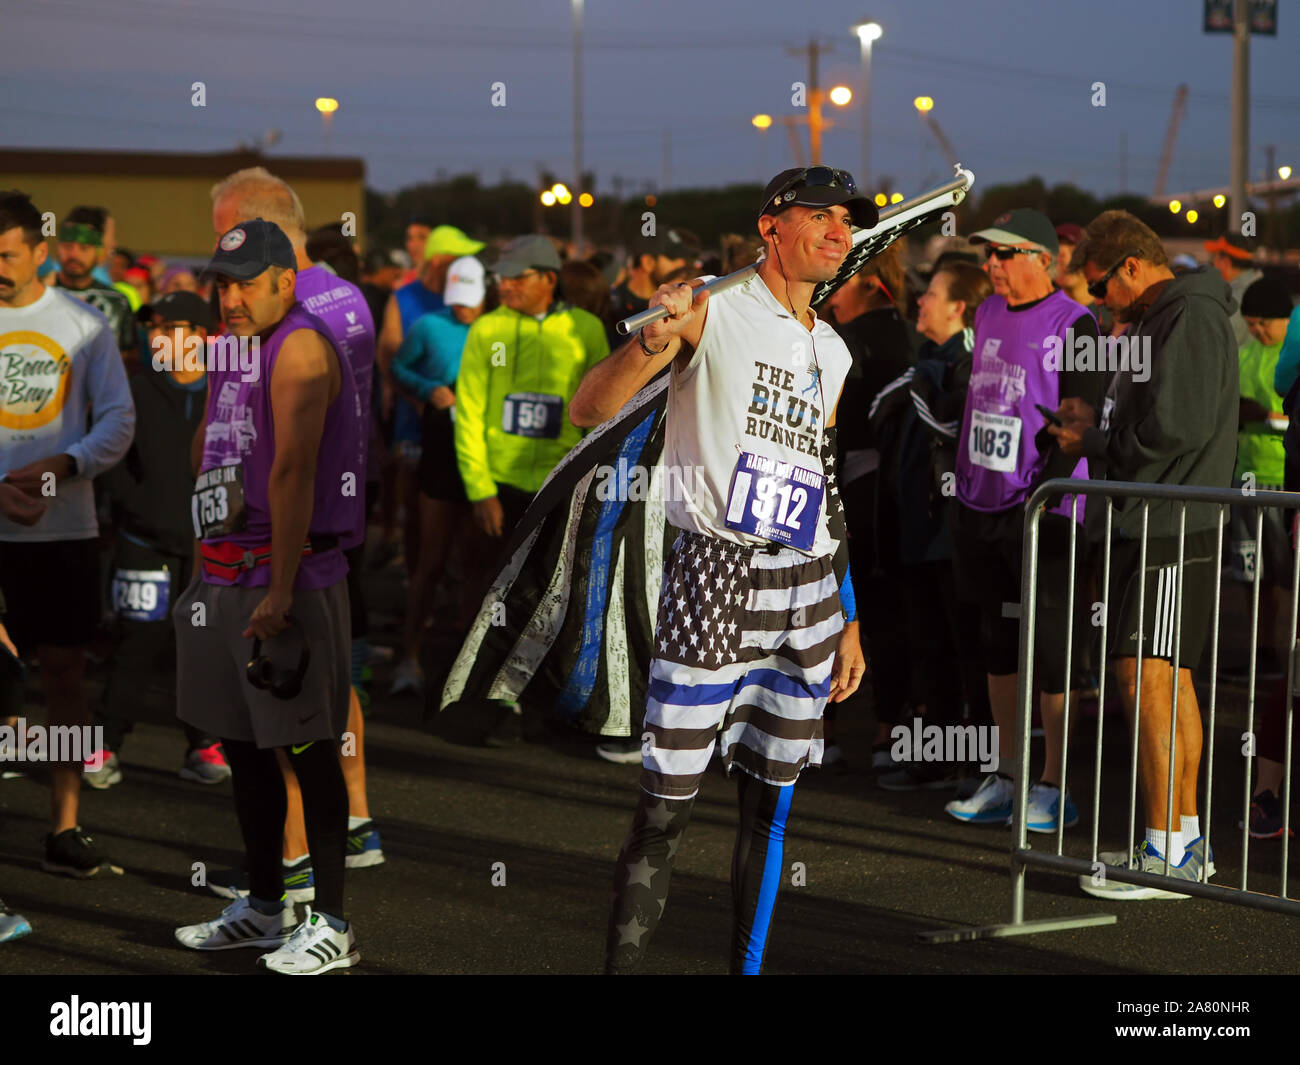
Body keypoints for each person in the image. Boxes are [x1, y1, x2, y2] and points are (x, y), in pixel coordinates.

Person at [569, 165, 871, 974]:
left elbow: (825, 483)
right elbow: (588, 408)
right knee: (666, 805)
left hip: (806, 587)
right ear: (772, 225)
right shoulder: (711, 306)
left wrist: (848, 612)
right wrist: (650, 339)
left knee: (770, 806)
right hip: (714, 574)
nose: (841, 229)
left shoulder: (832, 348)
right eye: (823, 215)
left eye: (849, 219)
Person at [172, 219, 360, 972]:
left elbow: (293, 475)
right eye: (223, 281)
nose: (231, 295)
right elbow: (207, 459)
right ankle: (263, 905)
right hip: (221, 569)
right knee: (244, 747)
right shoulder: (231, 346)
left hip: (288, 576)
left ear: (286, 276)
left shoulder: (303, 346)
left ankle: (336, 922)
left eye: (246, 280)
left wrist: (280, 590)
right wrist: (198, 572)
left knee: (309, 749)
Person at [205, 167, 384, 898]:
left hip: (297, 539)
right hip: (309, 528)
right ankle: (333, 837)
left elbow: (288, 461)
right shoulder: (337, 298)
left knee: (289, 713)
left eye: (232, 245)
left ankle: (298, 861)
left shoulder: (301, 319)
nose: (229, 285)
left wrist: (276, 576)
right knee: (307, 703)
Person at [1051, 209, 1238, 897]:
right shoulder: (1169, 316)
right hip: (1157, 519)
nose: (1099, 303)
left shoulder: (1189, 317)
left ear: (1132, 265)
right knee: (1169, 679)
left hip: (1169, 524)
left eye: (1100, 287)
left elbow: (1175, 426)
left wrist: (1095, 446)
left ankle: (1167, 851)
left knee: (1146, 678)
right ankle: (1182, 839)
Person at [943, 209, 1108, 834]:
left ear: (1043, 257)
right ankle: (1007, 773)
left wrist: (1039, 495)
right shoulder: (985, 313)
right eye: (988, 253)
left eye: (1006, 254)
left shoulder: (1077, 323)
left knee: (1054, 647)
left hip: (1046, 509)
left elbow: (1078, 427)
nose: (992, 264)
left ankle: (1054, 784)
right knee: (994, 641)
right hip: (980, 504)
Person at [0, 190, 135, 877]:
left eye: (5, 255)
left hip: (64, 533)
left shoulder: (83, 326)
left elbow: (117, 420)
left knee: (65, 677)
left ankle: (65, 826)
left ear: (39, 253)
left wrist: (62, 466)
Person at [87, 292, 230, 788]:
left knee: (203, 646)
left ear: (203, 336)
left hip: (208, 548)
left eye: (171, 328)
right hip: (141, 540)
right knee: (135, 644)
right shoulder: (133, 389)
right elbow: (110, 459)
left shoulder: (229, 390)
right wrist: (136, 505)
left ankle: (205, 744)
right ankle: (104, 744)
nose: (159, 337)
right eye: (154, 328)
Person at [869, 261, 995, 789]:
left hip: (954, 533)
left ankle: (984, 768)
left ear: (958, 308)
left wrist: (920, 382)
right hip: (919, 531)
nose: (919, 302)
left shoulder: (972, 356)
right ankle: (941, 761)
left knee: (971, 656)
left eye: (932, 295)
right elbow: (877, 410)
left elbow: (951, 420)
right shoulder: (930, 359)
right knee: (930, 651)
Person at [455, 234, 609, 553]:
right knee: (485, 584)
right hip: (499, 484)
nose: (505, 285)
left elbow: (601, 413)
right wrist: (480, 490)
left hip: (562, 483)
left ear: (549, 278)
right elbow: (468, 412)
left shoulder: (586, 328)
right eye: (501, 277)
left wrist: (589, 484)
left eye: (517, 277)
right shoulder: (486, 329)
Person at [823, 241, 914, 768]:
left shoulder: (845, 339)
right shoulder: (910, 334)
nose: (831, 297)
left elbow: (834, 424)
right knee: (891, 611)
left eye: (841, 283)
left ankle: (823, 729)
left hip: (855, 490)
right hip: (896, 494)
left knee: (838, 605)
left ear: (867, 284)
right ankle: (888, 730)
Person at [390, 256, 488, 695]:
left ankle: (465, 668)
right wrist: (428, 389)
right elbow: (397, 368)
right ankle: (408, 657)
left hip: (485, 453)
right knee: (430, 561)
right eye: (458, 302)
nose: (464, 310)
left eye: (470, 302)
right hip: (440, 448)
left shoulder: (498, 328)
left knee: (475, 565)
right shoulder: (430, 325)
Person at [376, 225, 485, 571]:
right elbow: (389, 356)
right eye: (461, 255)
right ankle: (414, 581)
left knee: (462, 522)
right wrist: (418, 395)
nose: (469, 262)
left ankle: (452, 591)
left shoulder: (473, 301)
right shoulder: (405, 298)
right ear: (440, 261)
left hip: (463, 428)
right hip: (415, 424)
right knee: (417, 512)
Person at [1224, 277, 1295, 681]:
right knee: (1252, 574)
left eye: (1263, 323)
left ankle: (1288, 656)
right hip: (1246, 480)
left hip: (1284, 482)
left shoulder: (1293, 354)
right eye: (1249, 323)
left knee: (1287, 575)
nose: (1256, 331)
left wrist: (1263, 416)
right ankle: (1262, 653)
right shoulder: (1246, 353)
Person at [53, 206, 139, 373]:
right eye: (67, 246)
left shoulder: (117, 302)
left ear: (98, 250)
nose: (74, 255)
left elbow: (128, 361)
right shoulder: (38, 295)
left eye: (84, 248)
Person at [606, 228, 700, 345]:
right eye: (673, 258)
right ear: (648, 263)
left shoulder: (675, 306)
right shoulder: (610, 308)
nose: (681, 264)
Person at [1205, 235, 1262, 348]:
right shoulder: (1259, 284)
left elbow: (1218, 345)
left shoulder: (1235, 300)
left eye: (1215, 258)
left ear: (1225, 262)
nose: (1213, 264)